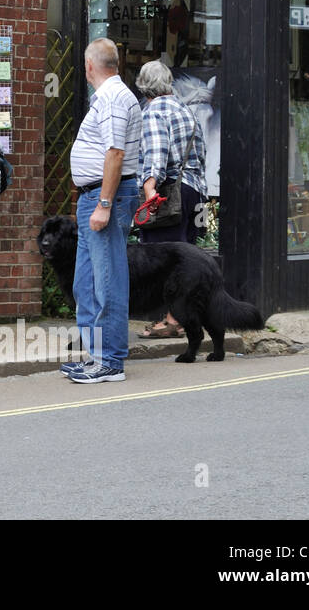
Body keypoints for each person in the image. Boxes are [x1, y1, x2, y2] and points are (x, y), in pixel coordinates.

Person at [63, 38, 142, 384]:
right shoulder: (112, 96)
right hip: (93, 197)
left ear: (89, 66)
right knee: (86, 282)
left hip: (104, 197)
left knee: (106, 282)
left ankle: (109, 361)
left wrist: (104, 204)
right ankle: (96, 356)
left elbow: (115, 153)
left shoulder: (111, 98)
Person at [135, 60, 207, 337]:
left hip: (169, 196)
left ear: (143, 85)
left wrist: (149, 191)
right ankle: (181, 317)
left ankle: (171, 321)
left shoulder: (153, 112)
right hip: (194, 191)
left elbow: (156, 155)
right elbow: (200, 155)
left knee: (163, 261)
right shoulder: (185, 110)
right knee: (185, 257)